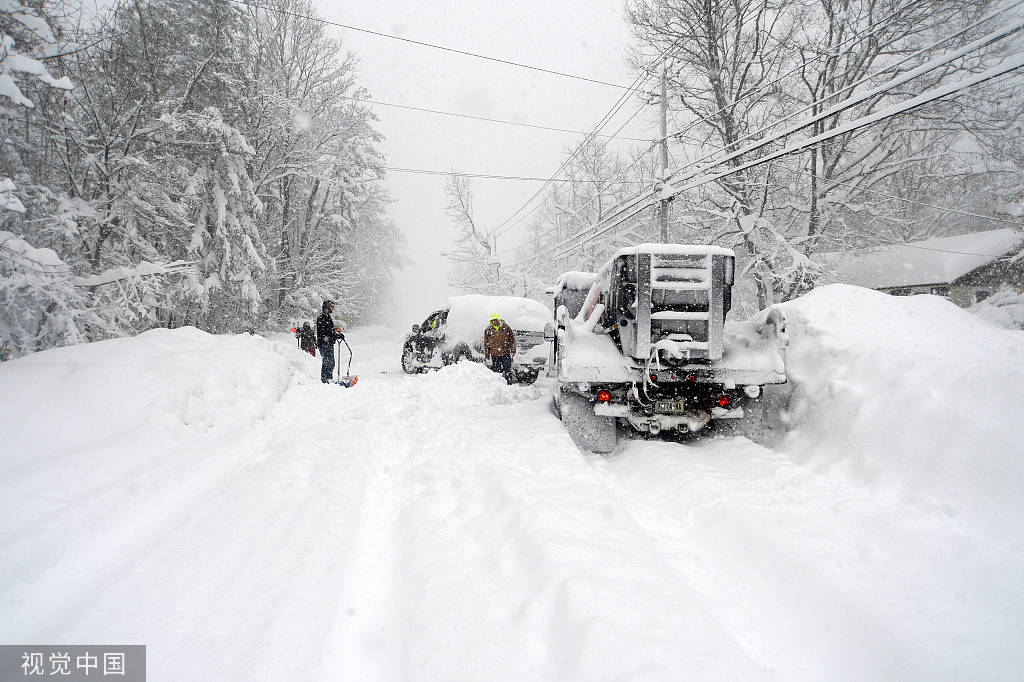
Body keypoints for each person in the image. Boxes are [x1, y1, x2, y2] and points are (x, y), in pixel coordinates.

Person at [316, 299, 345, 383]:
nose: (333, 308)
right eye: (331, 306)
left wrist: (337, 334)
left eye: (333, 306)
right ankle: (325, 379)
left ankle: (329, 379)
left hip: (329, 343)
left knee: (331, 363)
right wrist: (334, 335)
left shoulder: (327, 317)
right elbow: (325, 333)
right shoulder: (322, 317)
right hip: (324, 344)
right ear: (327, 307)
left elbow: (330, 331)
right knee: (327, 362)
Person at [483, 313, 516, 384]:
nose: (494, 321)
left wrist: (513, 350)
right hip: (494, 354)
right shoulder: (488, 329)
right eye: (492, 320)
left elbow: (512, 339)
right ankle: (499, 384)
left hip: (505, 353)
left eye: (495, 320)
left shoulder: (506, 327)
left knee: (507, 369)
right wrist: (487, 353)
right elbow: (486, 342)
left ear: (498, 320)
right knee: (496, 371)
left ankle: (509, 383)